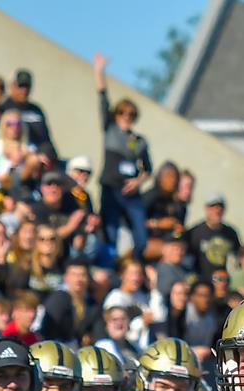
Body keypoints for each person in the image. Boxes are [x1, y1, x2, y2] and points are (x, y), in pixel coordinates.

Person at [92, 52, 151, 257]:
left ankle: (133, 263)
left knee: (141, 237)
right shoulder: (110, 130)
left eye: (131, 114)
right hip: (111, 188)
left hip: (130, 192)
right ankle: (111, 265)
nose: (126, 117)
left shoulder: (139, 141)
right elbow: (102, 96)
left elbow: (148, 169)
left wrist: (137, 182)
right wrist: (99, 70)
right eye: (122, 113)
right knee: (110, 233)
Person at [185, 193, 241, 276]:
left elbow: (238, 258)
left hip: (224, 281)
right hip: (202, 281)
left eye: (220, 206)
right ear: (206, 209)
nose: (217, 210)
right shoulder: (194, 232)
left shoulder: (230, 233)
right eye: (212, 206)